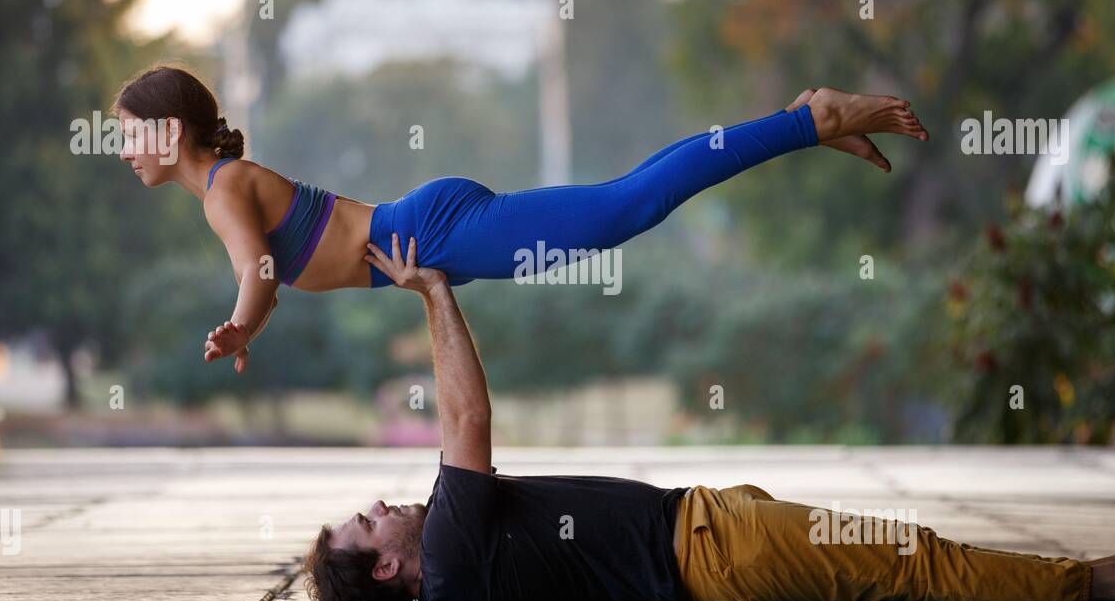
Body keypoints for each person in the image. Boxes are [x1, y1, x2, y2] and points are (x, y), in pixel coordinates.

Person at [301, 237, 1115, 601]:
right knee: (912, 558)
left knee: (897, 555)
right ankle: (1104, 581)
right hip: (712, 549)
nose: (380, 503)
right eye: (367, 519)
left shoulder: (455, 568)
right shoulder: (451, 551)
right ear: (387, 566)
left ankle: (1092, 579)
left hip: (710, 526)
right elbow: (466, 412)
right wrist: (435, 291)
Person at [113, 65, 928, 372]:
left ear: (170, 132)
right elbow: (269, 275)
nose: (122, 151)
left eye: (128, 134)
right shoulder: (225, 185)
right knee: (628, 198)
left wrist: (240, 329)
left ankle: (811, 120)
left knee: (630, 204)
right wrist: (247, 324)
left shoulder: (222, 190)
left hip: (430, 233)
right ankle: (796, 123)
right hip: (429, 235)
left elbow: (258, 274)